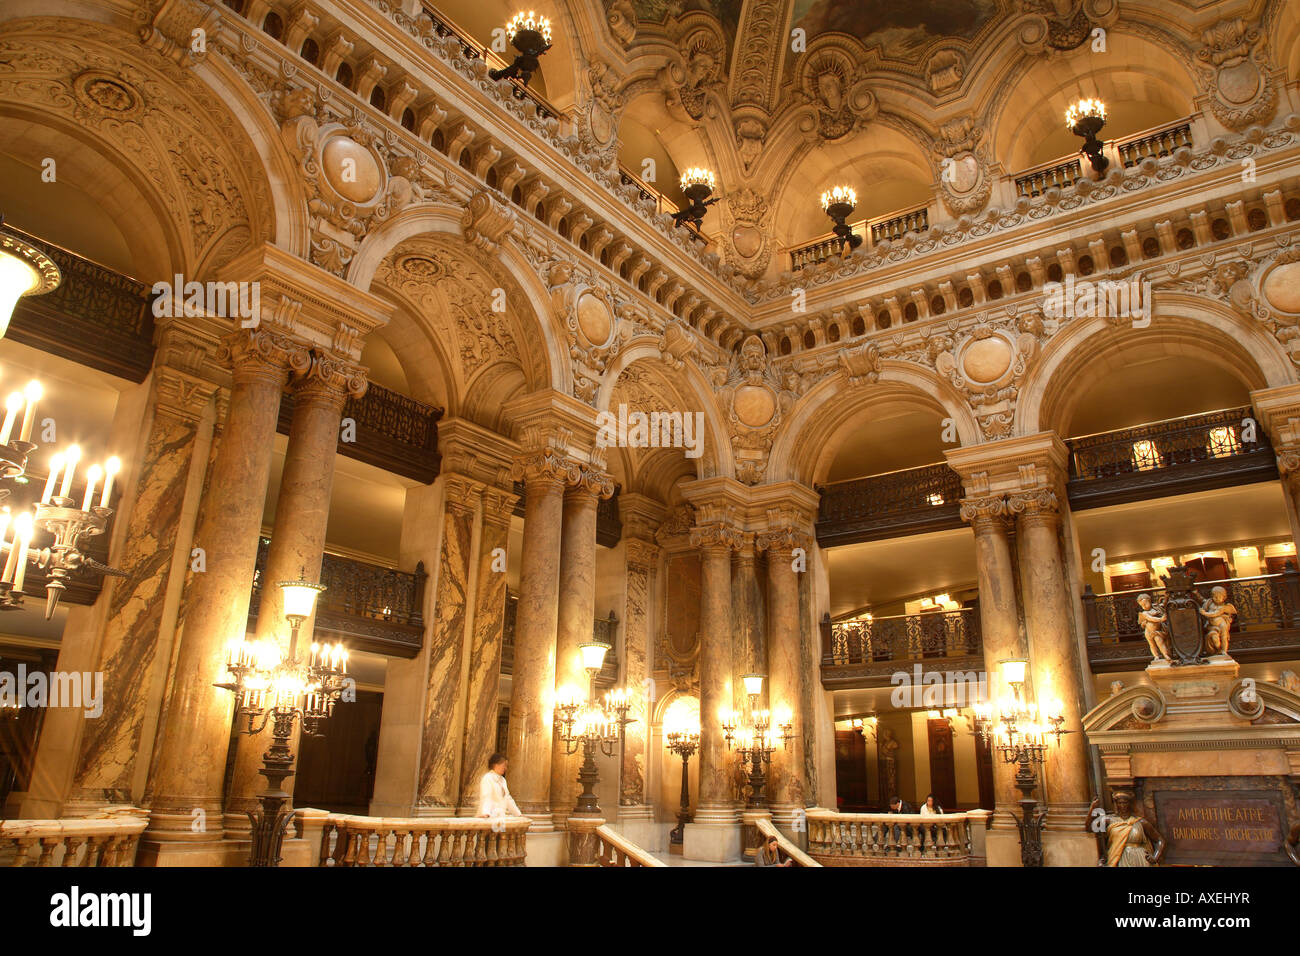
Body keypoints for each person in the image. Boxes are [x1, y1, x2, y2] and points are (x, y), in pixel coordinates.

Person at [1087, 792, 1166, 866]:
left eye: (1125, 803)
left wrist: (1155, 857)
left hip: (1139, 858)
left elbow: (1160, 840)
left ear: (1130, 804)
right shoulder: (1109, 820)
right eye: (1119, 803)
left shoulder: (1140, 822)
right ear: (1116, 804)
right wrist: (1092, 809)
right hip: (1118, 856)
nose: (1122, 805)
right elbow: (1090, 828)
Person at [477, 753, 522, 818]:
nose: (505, 768)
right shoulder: (488, 778)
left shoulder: (503, 780)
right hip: (488, 816)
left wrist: (518, 814)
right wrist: (486, 813)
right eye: (504, 765)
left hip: (500, 816)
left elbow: (508, 798)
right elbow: (486, 797)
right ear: (496, 765)